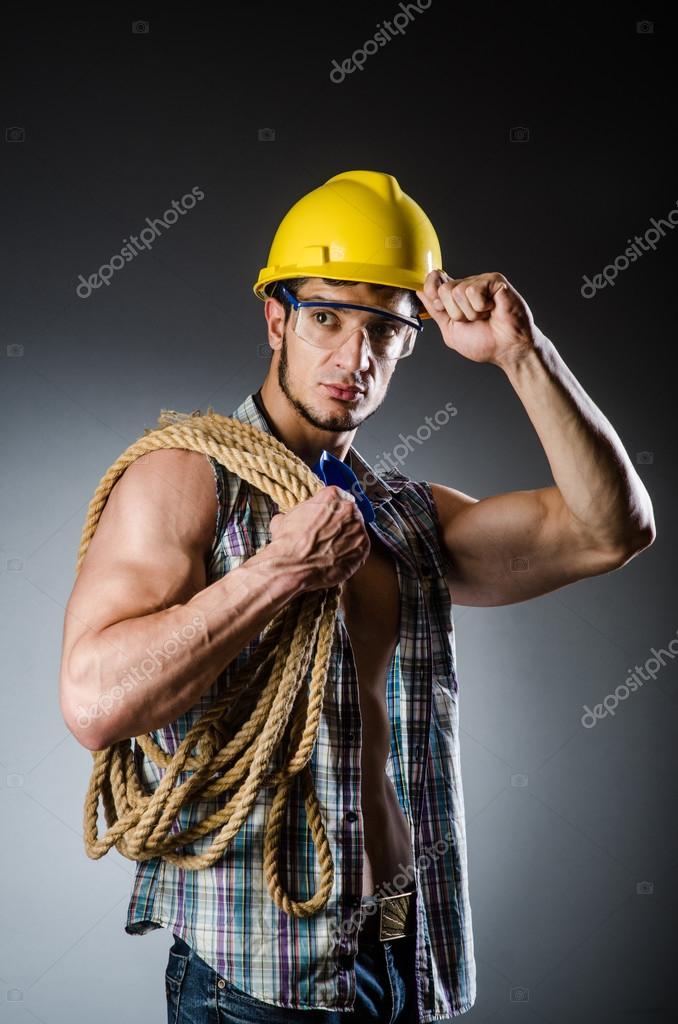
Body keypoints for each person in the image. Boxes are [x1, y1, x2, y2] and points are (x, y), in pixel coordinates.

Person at [59, 170, 655, 1023]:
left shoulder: (404, 520)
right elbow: (91, 702)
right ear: (277, 317)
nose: (354, 355)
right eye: (327, 316)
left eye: (385, 327)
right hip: (256, 978)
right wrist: (275, 574)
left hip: (400, 956)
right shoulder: (186, 475)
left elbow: (611, 531)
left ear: (412, 339)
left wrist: (525, 354)